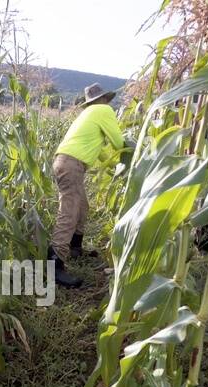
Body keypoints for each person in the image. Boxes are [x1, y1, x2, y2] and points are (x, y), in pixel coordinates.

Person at [48, 83, 125, 288]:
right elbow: (119, 143)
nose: (108, 104)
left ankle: (75, 248)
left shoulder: (89, 114)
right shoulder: (104, 110)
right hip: (71, 164)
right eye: (106, 100)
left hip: (66, 162)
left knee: (82, 207)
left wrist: (113, 166)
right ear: (103, 99)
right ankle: (54, 265)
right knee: (69, 212)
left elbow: (101, 153)